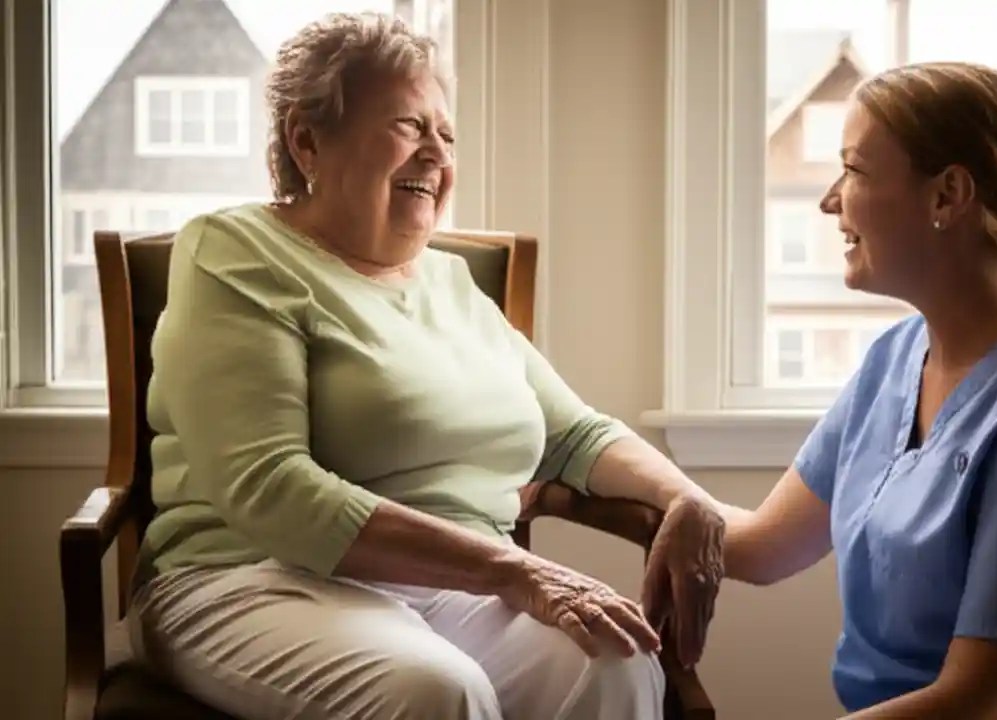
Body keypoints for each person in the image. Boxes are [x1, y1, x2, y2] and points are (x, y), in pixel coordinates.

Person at [127, 12, 726, 720]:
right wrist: (516, 571)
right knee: (435, 692)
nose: (436, 154)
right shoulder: (234, 251)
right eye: (410, 126)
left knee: (616, 662)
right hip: (253, 580)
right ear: (307, 139)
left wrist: (688, 499)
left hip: (451, 589)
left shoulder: (450, 285)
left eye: (447, 135)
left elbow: (576, 437)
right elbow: (271, 490)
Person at [714, 63, 997, 718]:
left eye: (855, 170)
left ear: (947, 195)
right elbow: (761, 545)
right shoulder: (894, 360)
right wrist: (580, 476)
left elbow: (975, 703)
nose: (830, 200)